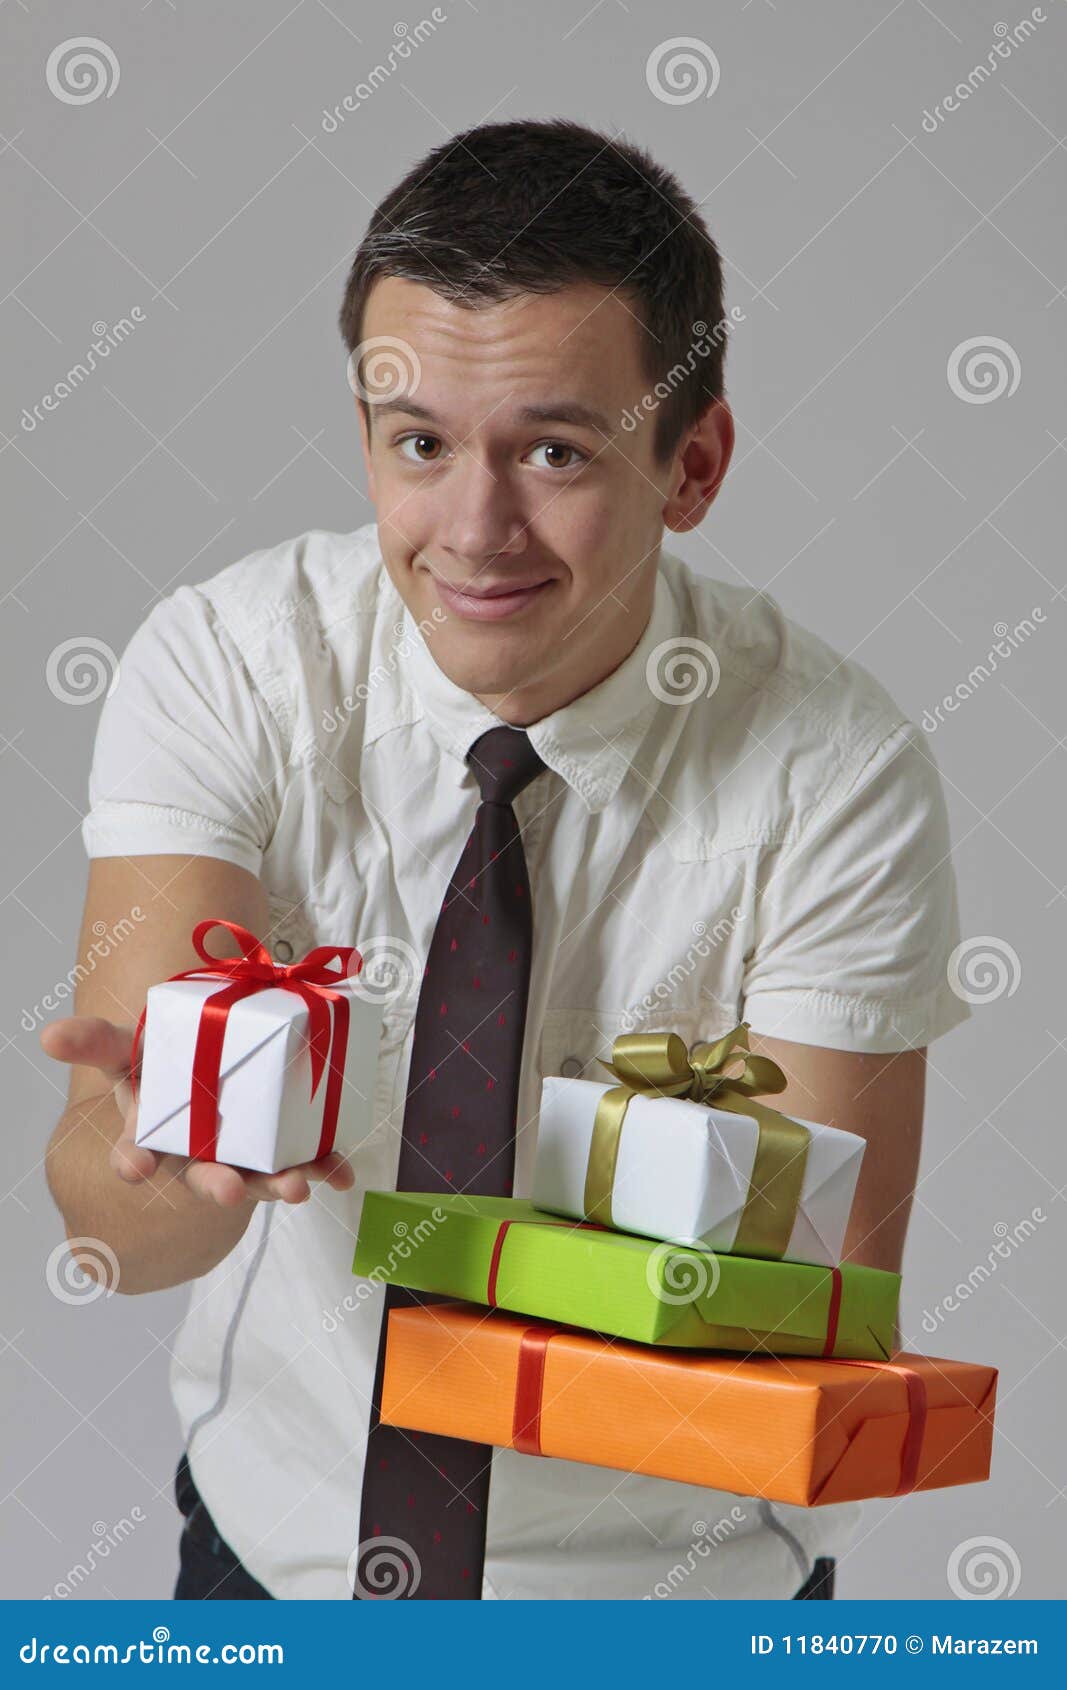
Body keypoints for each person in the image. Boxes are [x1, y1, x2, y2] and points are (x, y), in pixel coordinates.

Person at [42, 118, 967, 1601]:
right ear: (366, 438)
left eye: (552, 449)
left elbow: (816, 1309)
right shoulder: (225, 664)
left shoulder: (834, 770)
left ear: (695, 461)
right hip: (285, 1557)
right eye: (420, 446)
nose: (475, 530)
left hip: (679, 1589)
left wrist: (489, 1216)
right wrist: (177, 1167)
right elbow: (109, 1222)